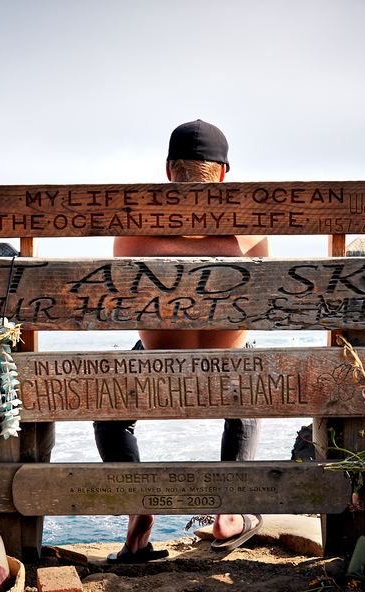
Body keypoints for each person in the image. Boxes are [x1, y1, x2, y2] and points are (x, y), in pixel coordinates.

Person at [95, 120, 270, 563]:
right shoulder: (252, 231)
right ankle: (229, 511)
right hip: (230, 373)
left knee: (107, 410)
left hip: (158, 366)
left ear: (170, 171)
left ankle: (138, 510)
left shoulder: (133, 231)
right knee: (251, 376)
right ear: (224, 174)